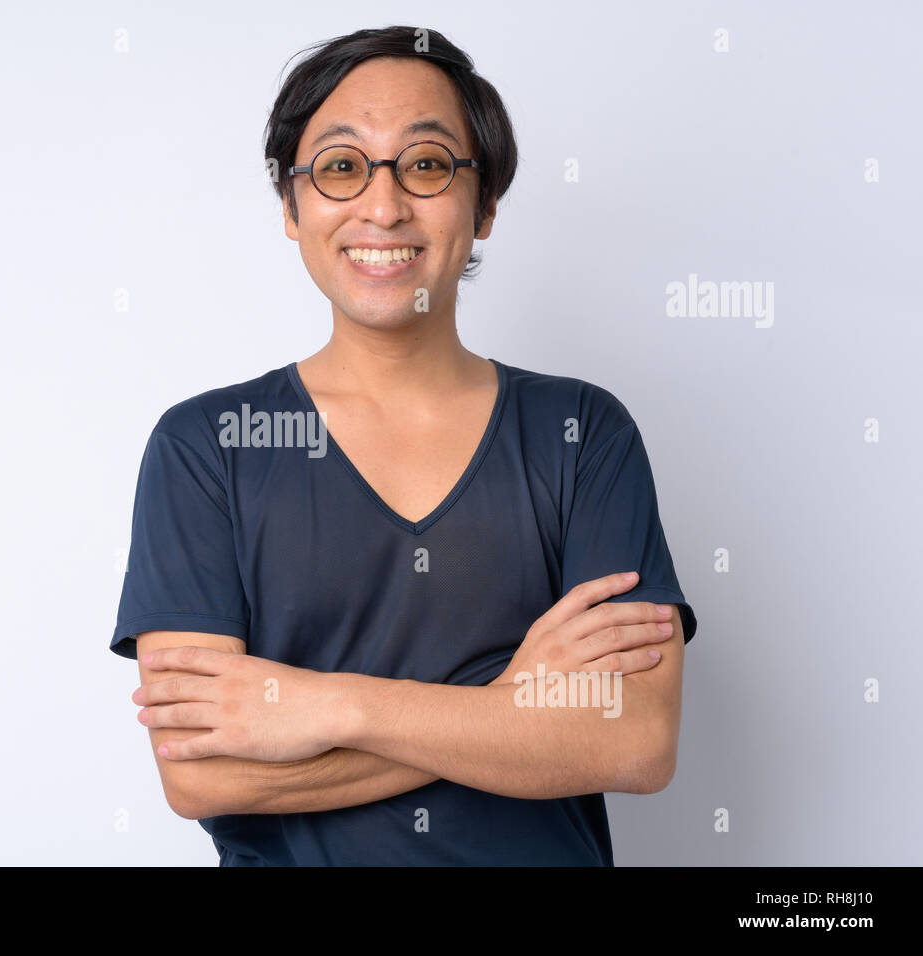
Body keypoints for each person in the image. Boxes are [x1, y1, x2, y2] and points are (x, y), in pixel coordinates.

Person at [110, 25, 698, 866]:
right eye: (342, 167)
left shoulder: (582, 434)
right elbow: (203, 777)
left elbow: (635, 741)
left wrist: (326, 707)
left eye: (425, 165)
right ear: (292, 206)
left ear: (484, 202)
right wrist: (511, 702)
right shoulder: (206, 448)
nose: (382, 207)